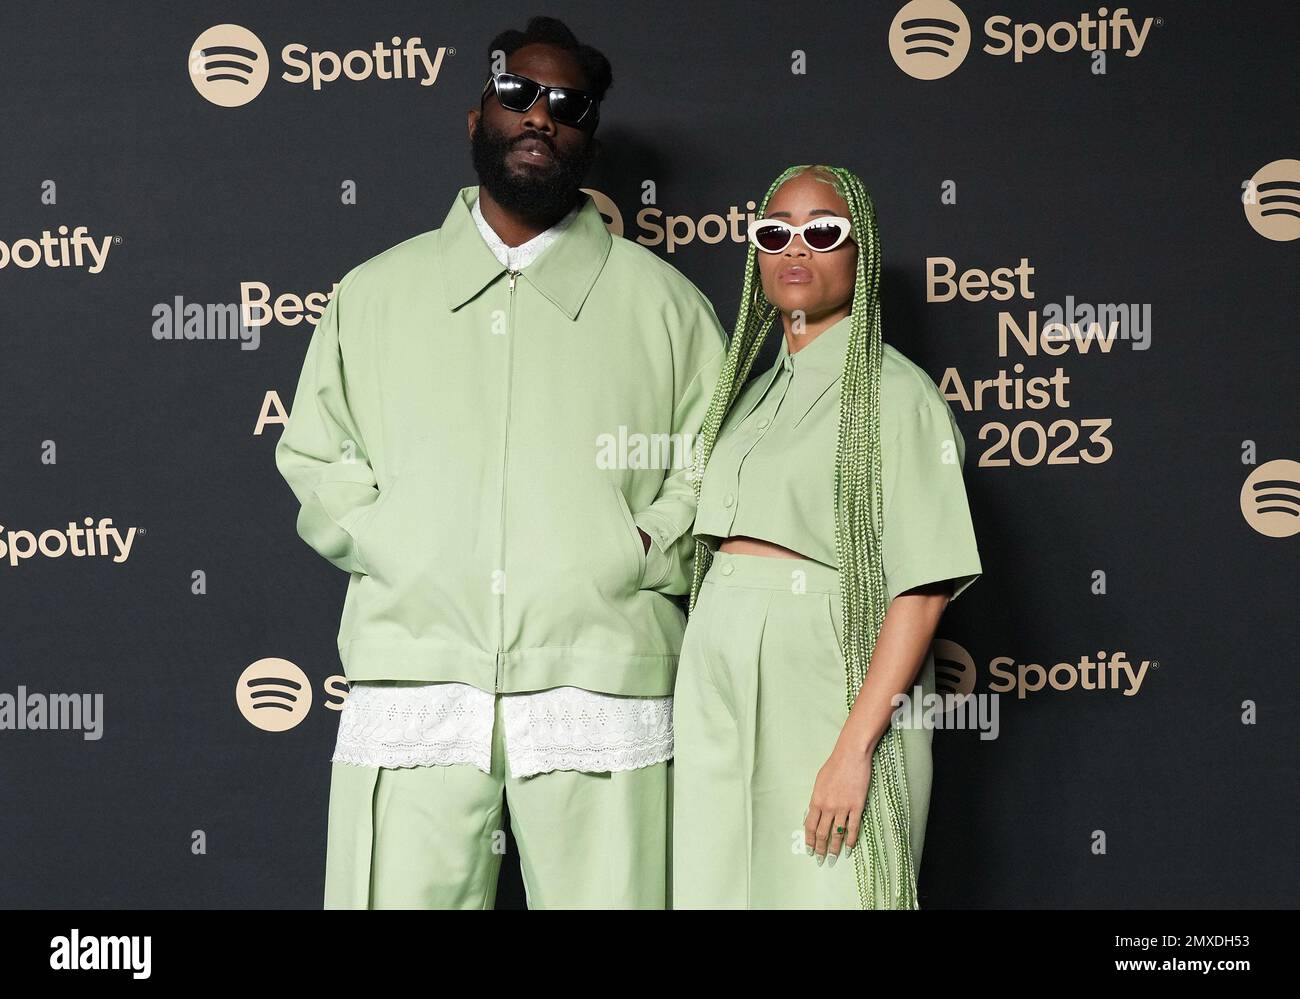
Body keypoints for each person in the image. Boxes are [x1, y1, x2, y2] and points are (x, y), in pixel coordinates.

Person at [274, 16, 726, 909]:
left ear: (588, 136)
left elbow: (710, 469)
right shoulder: (373, 295)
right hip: (417, 679)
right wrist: (397, 540)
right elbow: (316, 454)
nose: (539, 118)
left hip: (602, 682)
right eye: (517, 94)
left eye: (568, 106)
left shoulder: (667, 307)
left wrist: (638, 550)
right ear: (476, 113)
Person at [670, 164, 982, 909]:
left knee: (829, 887)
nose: (795, 249)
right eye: (775, 233)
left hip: (830, 677)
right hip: (716, 671)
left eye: (823, 231)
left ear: (860, 249)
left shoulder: (897, 395)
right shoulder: (744, 394)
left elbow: (924, 586)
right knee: (719, 886)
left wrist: (852, 749)